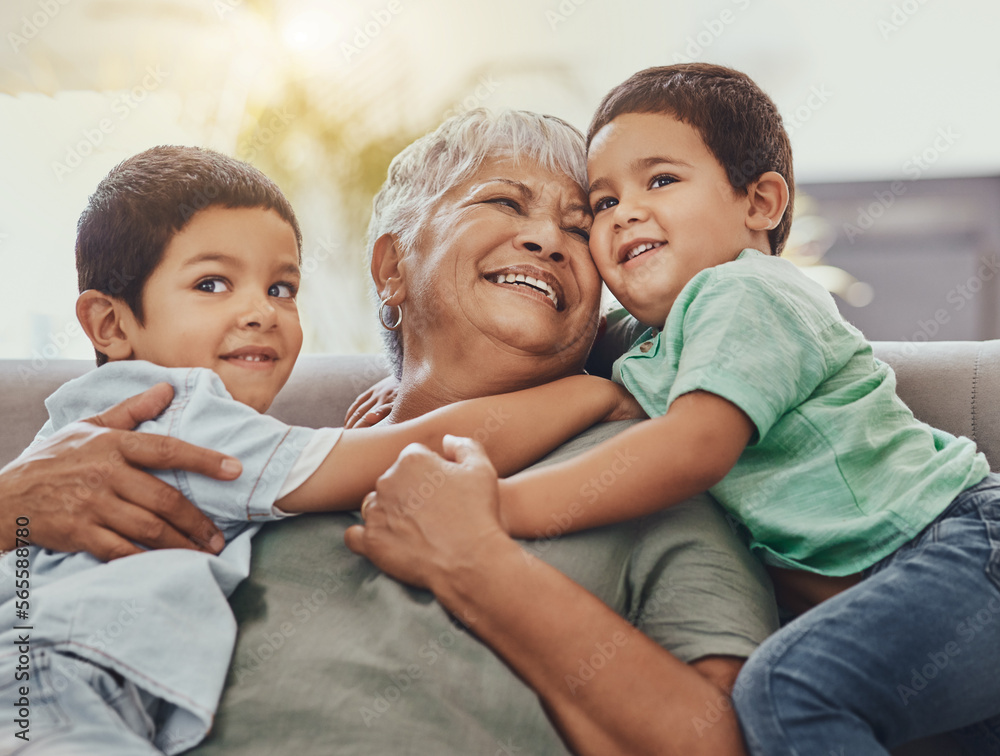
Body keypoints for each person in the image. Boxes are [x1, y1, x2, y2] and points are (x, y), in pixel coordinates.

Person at [357, 64, 1000, 755]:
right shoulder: (653, 345)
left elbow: (691, 447)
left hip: (962, 549)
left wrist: (493, 510)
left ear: (761, 203)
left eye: (660, 181)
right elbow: (554, 345)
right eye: (603, 204)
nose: (624, 213)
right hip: (908, 597)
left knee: (787, 695)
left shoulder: (745, 296)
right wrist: (411, 397)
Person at [0, 145, 648, 755]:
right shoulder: (174, 409)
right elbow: (410, 449)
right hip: (55, 685)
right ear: (111, 324)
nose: (261, 311)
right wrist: (588, 395)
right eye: (212, 285)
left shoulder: (111, 420)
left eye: (281, 288)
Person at [189, 111, 777, 755]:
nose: (548, 241)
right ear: (393, 268)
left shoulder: (643, 476)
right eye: (504, 201)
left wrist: (480, 566)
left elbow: (724, 744)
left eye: (580, 230)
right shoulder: (256, 465)